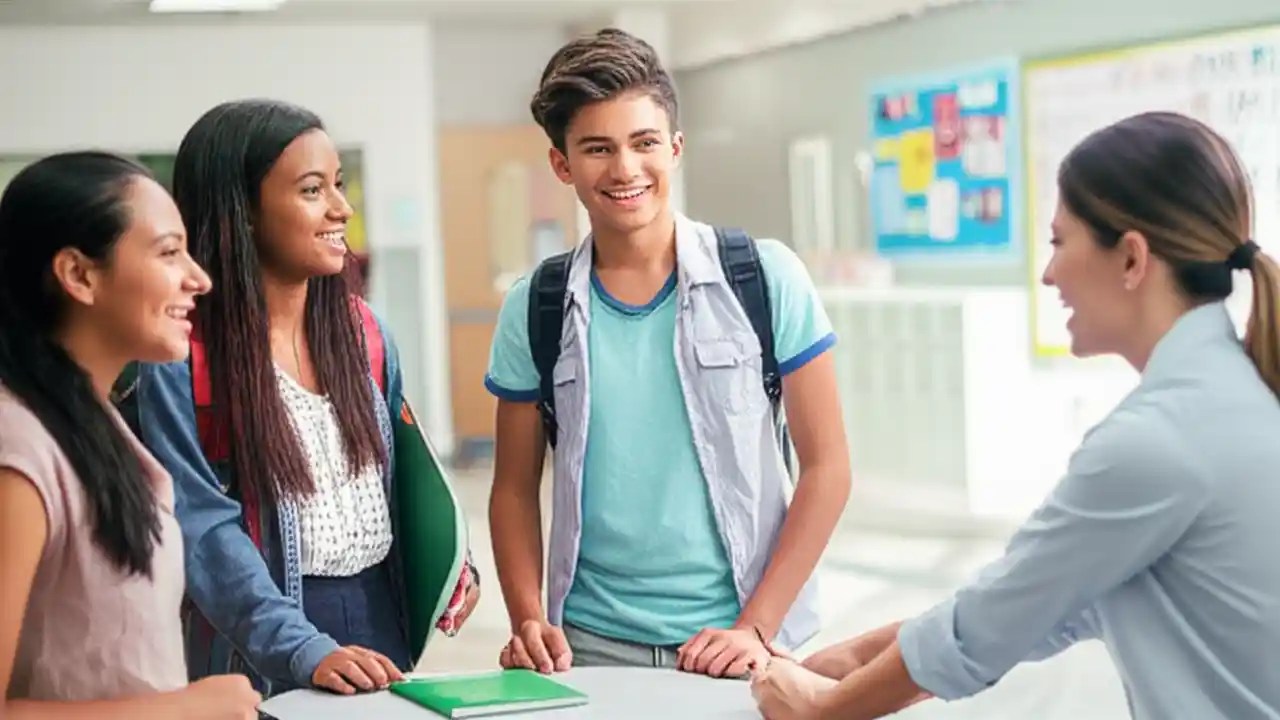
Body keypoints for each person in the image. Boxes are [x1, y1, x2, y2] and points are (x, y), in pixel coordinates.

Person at [751, 111, 1280, 719]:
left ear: (1132, 259)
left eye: (1059, 242)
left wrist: (823, 710)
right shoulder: (1231, 394)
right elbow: (1039, 606)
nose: (1049, 273)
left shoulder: (1161, 440)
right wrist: (854, 658)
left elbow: (991, 625)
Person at [487, 28, 852, 678]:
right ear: (562, 164)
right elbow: (514, 488)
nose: (625, 168)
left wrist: (756, 628)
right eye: (598, 148)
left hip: (738, 641)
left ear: (675, 149)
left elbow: (829, 468)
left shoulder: (765, 278)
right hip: (588, 646)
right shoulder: (534, 306)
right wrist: (527, 619)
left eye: (644, 143)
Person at [123, 99, 479, 698]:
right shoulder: (182, 360)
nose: (342, 208)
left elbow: (398, 480)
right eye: (313, 190)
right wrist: (301, 645)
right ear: (243, 211)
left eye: (338, 185)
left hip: (378, 620)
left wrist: (449, 562)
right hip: (255, 635)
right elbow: (203, 526)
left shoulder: (364, 332)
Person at [0, 151, 263, 718]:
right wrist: (187, 706)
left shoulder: (94, 422)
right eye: (169, 253)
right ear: (79, 275)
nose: (200, 279)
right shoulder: (17, 448)